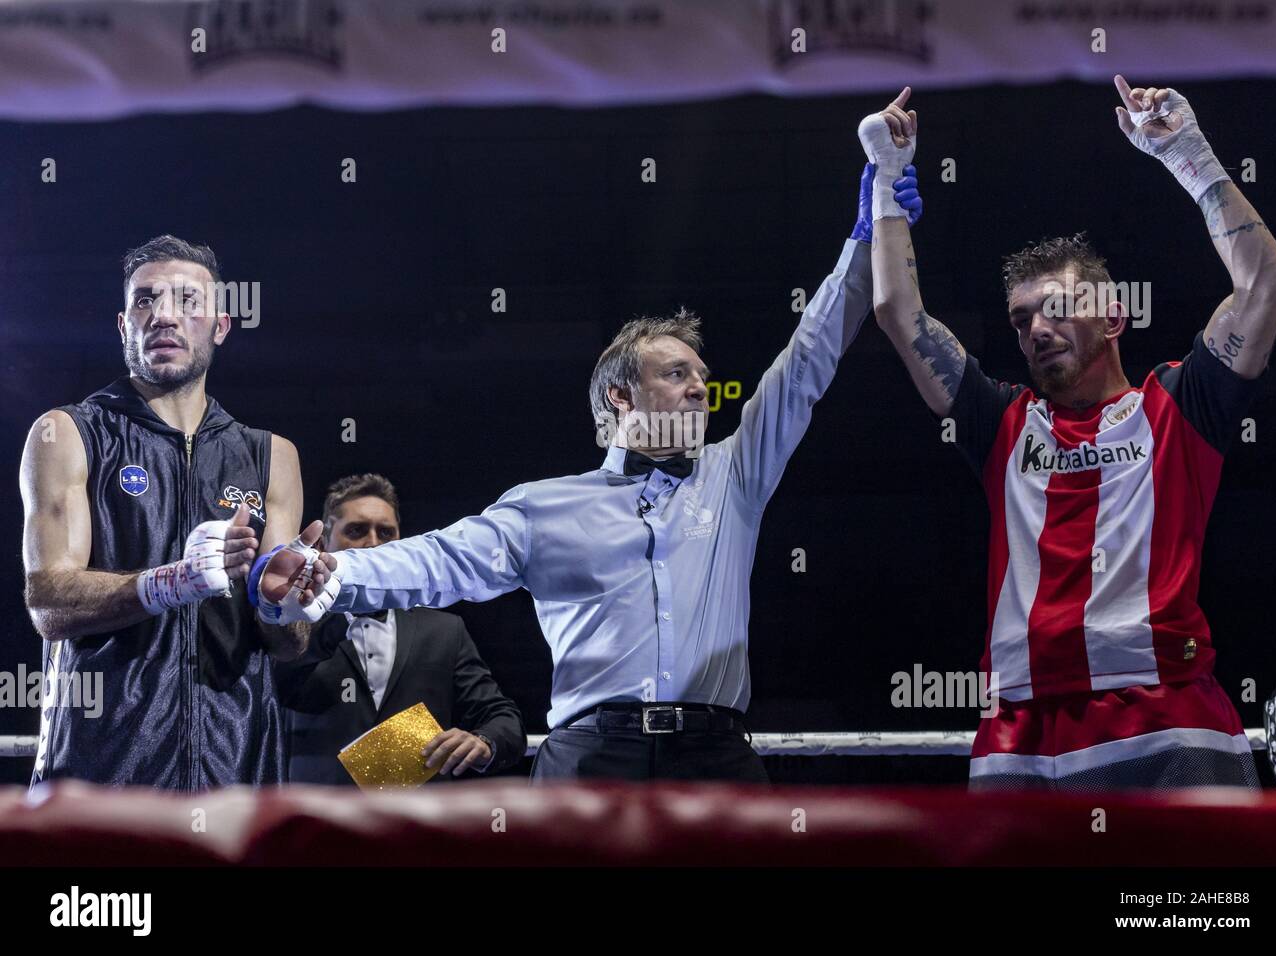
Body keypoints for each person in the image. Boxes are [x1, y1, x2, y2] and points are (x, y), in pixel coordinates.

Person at [253, 103, 925, 782]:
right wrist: (328, 575)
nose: (699, 388)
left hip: (714, 755)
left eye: (701, 376)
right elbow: (437, 560)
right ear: (621, 397)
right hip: (593, 759)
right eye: (676, 373)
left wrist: (870, 221)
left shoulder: (734, 475)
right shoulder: (544, 507)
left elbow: (808, 359)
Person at [866, 80, 1276, 790]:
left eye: (1058, 308)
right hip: (1018, 730)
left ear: (1114, 317)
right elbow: (896, 312)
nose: (1036, 328)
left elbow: (1267, 285)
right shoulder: (1000, 422)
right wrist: (884, 178)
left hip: (1166, 717)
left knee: (1187, 909)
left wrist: (1187, 153)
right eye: (1021, 319)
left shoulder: (1182, 406)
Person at [20, 234, 333, 790]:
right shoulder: (66, 432)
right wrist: (171, 583)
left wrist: (285, 607)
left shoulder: (271, 455)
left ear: (220, 326)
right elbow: (49, 604)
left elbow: (287, 648)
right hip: (100, 765)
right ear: (123, 325)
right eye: (145, 300)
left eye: (188, 301)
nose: (164, 315)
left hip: (238, 764)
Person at [275, 473, 526, 784]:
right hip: (320, 820)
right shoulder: (295, 629)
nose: (373, 543)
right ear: (325, 542)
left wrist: (484, 742)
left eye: (386, 533)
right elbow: (270, 694)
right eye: (356, 530)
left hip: (419, 823)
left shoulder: (444, 631)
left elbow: (505, 720)